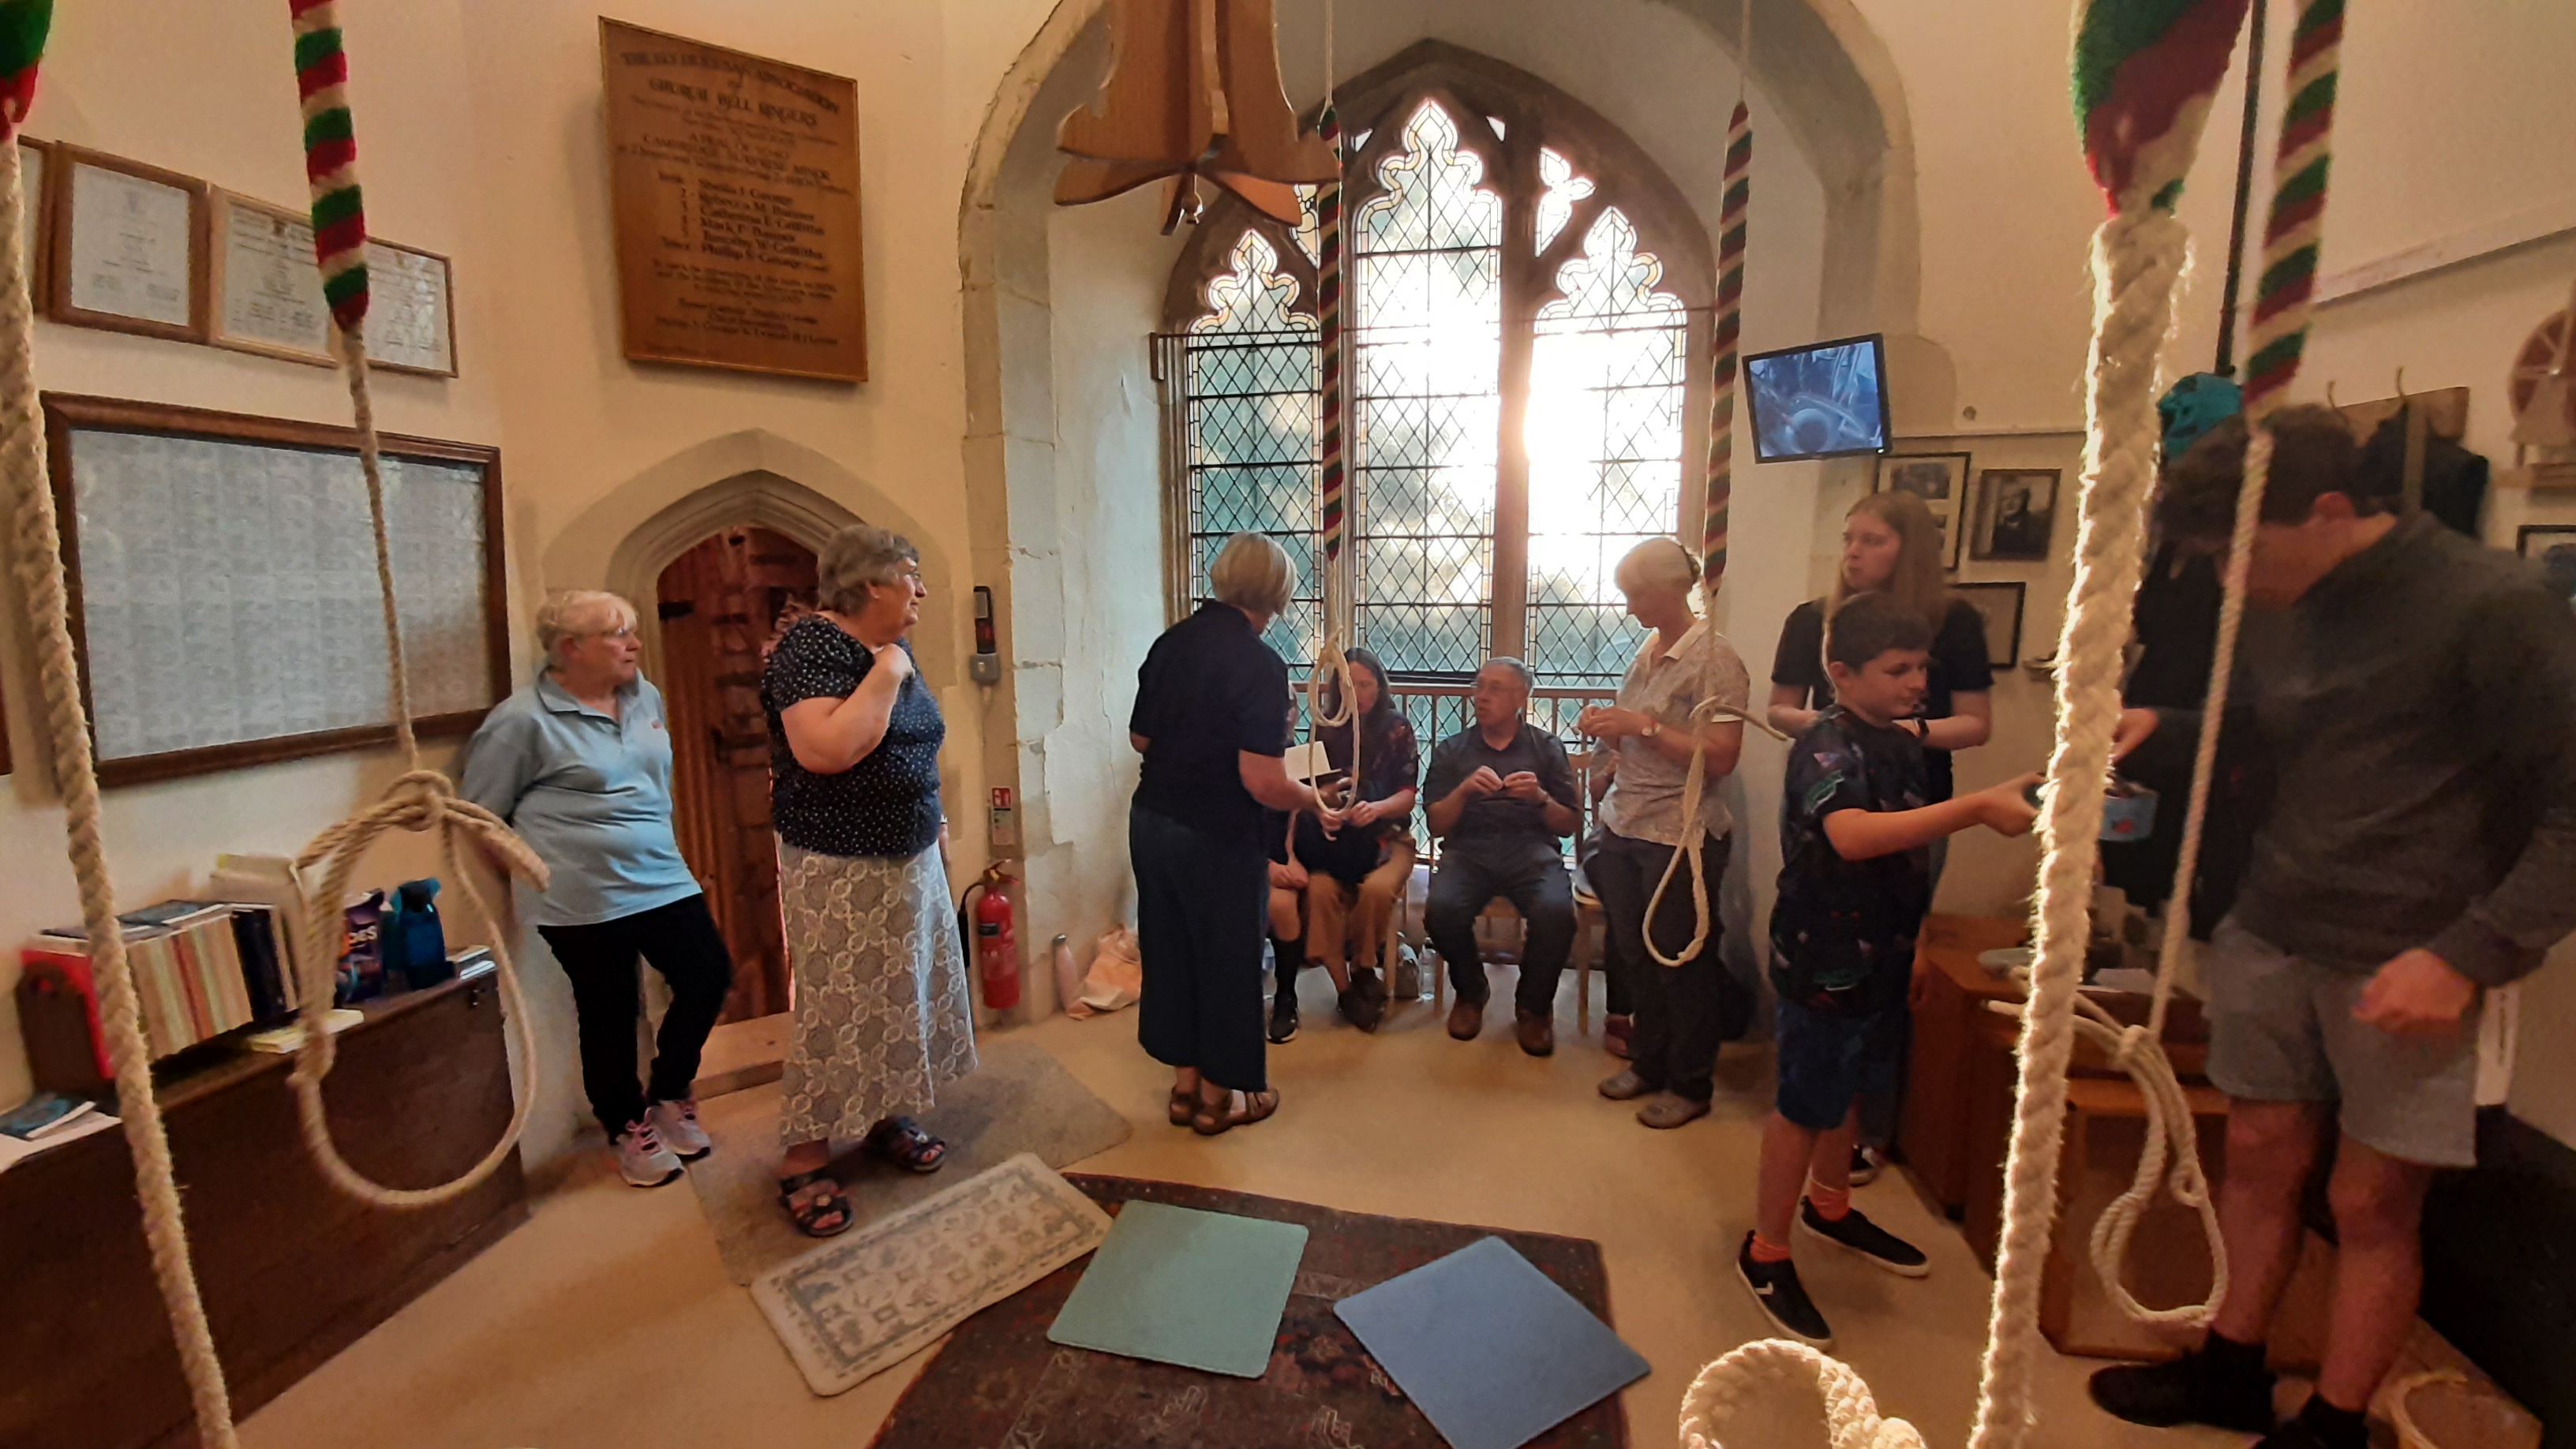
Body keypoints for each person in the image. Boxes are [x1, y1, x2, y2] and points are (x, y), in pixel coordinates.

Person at [2088, 408, 2576, 1449]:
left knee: (2370, 1200)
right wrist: (2169, 733)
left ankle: (2337, 1423)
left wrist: (2469, 955)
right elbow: (2281, 726)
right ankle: (2230, 1368)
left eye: (2238, 553)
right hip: (2275, 919)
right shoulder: (2279, 603)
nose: (2226, 578)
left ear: (2328, 512)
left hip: (2410, 951)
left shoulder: (2494, 605)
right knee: (2258, 1155)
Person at [1736, 593, 2039, 1348]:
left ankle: (1830, 1207)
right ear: (1841, 673)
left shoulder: (1903, 744)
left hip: (1883, 948)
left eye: (1921, 669)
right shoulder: (1825, 745)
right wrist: (1974, 808)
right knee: (1806, 1103)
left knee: (1849, 1086)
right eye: (1897, 669)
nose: (1916, 683)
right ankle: (1765, 1251)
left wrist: (1920, 945)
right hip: (1822, 952)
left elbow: (1910, 856)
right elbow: (1854, 836)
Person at [461, 590, 733, 1189]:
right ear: (569, 649)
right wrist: (542, 871)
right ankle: (626, 1126)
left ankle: (668, 1093)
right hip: (580, 899)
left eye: (633, 630)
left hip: (662, 876)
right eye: (618, 634)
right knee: (610, 1013)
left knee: (708, 975)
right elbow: (480, 817)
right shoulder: (521, 721)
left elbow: (655, 785)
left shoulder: (646, 699)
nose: (634, 643)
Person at [1767, 489, 1995, 1180]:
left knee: (1892, 966)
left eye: (1873, 539)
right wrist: (1853, 737)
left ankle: (1863, 1134)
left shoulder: (1952, 621)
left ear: (1910, 549)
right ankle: (1810, 1107)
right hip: (1845, 807)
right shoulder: (1813, 624)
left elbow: (1975, 722)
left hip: (1913, 794)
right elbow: (1787, 717)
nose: (1855, 553)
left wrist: (1894, 734)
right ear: (1846, 672)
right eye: (1849, 539)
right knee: (1831, 955)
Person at [761, 525, 977, 1238]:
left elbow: (916, 744)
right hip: (839, 863)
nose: (920, 591)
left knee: (897, 993)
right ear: (871, 583)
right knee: (839, 1005)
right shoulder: (813, 649)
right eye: (910, 576)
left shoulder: (891, 646)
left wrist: (938, 822)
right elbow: (826, 749)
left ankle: (884, 1116)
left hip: (906, 854)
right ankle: (803, 1158)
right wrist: (886, 673)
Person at [1130, 532, 1342, 1133]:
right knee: (1226, 960)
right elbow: (1263, 781)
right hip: (1215, 834)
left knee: (1171, 952)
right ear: (1277, 593)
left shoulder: (1170, 643)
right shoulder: (1259, 664)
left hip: (1152, 822)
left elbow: (1140, 739)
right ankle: (1218, 1103)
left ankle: (1183, 1088)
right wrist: (1315, 800)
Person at [1579, 539, 1755, 1129]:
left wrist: (1643, 726)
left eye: (1637, 595)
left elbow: (1723, 756)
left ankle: (1690, 1083)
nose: (1630, 608)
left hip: (1679, 835)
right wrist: (1610, 735)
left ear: (1674, 588)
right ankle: (1649, 1063)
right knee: (1635, 957)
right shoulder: (1651, 650)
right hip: (1626, 823)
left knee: (1681, 963)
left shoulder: (1716, 659)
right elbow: (1635, 735)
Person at [1422, 657, 1582, 1056]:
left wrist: (1540, 797)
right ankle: (1472, 991)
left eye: (1495, 689)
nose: (1482, 697)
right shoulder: (1452, 749)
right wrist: (1462, 792)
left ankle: (1533, 1007)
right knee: (1441, 909)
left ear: (1521, 698)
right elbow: (1436, 826)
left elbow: (1568, 825)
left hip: (1531, 849)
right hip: (1468, 848)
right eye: (1479, 687)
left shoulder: (1546, 748)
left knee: (1557, 913)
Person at [1269, 647, 1421, 1043]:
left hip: (1387, 835)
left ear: (1380, 685)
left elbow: (1407, 795)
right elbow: (1309, 791)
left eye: (1367, 684)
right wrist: (1325, 805)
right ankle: (1345, 988)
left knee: (1375, 888)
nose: (1359, 693)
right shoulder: (1326, 727)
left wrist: (1376, 807)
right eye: (1350, 685)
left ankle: (1365, 967)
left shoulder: (1396, 727)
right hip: (1335, 838)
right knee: (1318, 889)